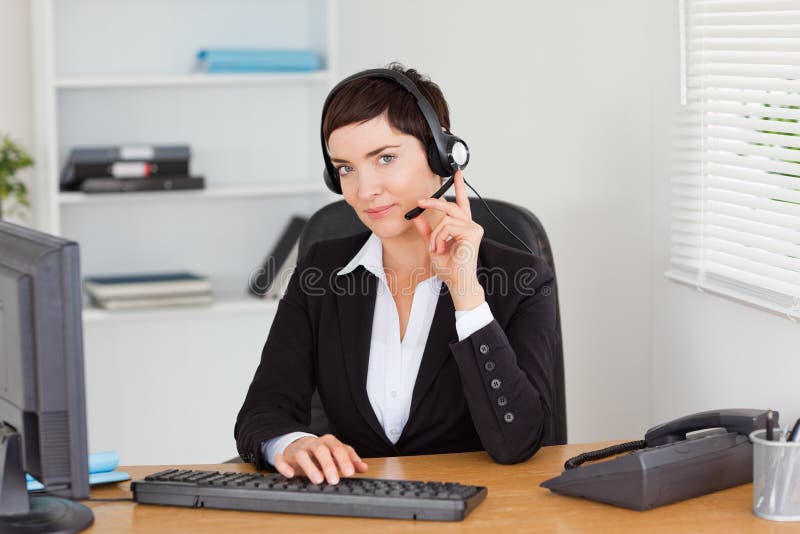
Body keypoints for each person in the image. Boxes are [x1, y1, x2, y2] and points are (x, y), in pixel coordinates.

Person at [235, 63, 558, 485]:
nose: (364, 190)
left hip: (480, 512)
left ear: (443, 156)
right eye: (346, 168)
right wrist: (292, 443)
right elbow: (262, 411)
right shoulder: (321, 270)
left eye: (385, 158)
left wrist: (466, 293)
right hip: (354, 508)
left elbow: (518, 440)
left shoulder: (523, 280)